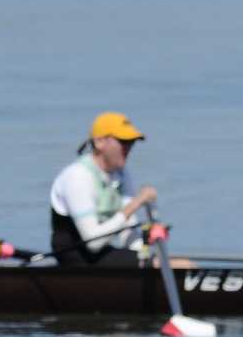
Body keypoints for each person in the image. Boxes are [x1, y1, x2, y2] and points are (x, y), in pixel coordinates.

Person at [50, 112, 161, 267]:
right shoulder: (77, 176)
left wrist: (144, 254)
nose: (128, 148)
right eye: (123, 141)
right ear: (99, 142)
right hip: (76, 257)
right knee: (176, 265)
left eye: (131, 142)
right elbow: (93, 243)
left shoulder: (121, 173)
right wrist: (136, 203)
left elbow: (128, 228)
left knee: (166, 263)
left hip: (101, 254)